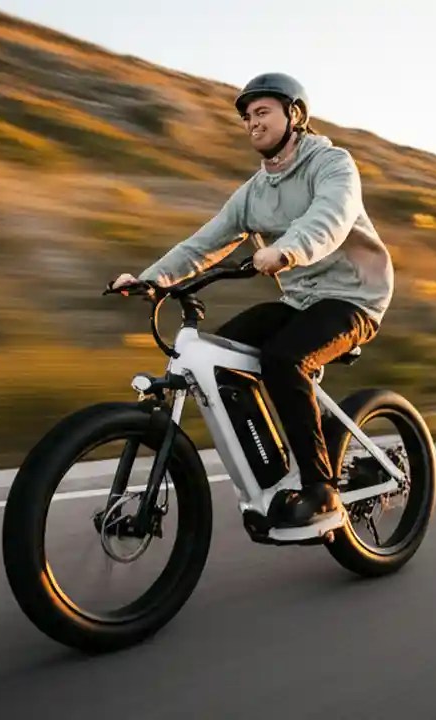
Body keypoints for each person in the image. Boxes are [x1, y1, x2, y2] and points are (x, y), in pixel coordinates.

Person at [109, 72, 394, 529]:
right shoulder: (254, 192)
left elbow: (331, 217)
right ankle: (275, 470)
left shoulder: (333, 164)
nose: (252, 123)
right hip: (302, 298)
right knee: (220, 359)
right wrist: (151, 280)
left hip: (354, 297)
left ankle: (322, 494)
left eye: (262, 112)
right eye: (247, 117)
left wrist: (287, 250)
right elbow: (205, 243)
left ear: (294, 116)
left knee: (285, 359)